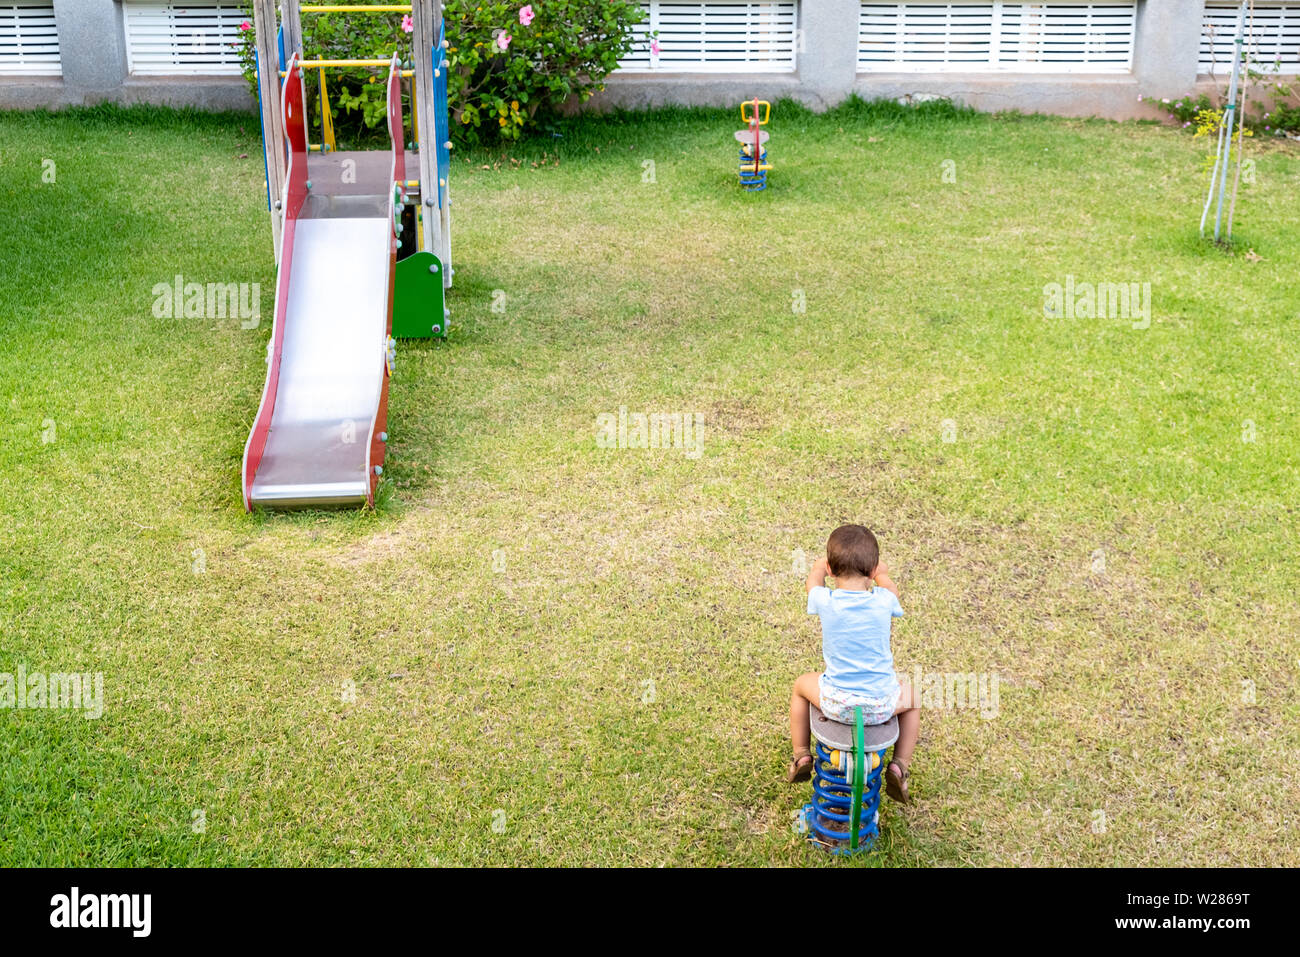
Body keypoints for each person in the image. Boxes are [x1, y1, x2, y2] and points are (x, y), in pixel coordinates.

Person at [787, 524, 919, 803]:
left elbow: (812, 584)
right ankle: (899, 765)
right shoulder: (884, 600)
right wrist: (882, 574)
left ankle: (801, 755)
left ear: (832, 571)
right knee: (914, 697)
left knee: (801, 685)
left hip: (836, 703)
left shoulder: (825, 600)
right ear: (871, 571)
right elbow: (891, 589)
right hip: (881, 705)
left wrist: (817, 568)